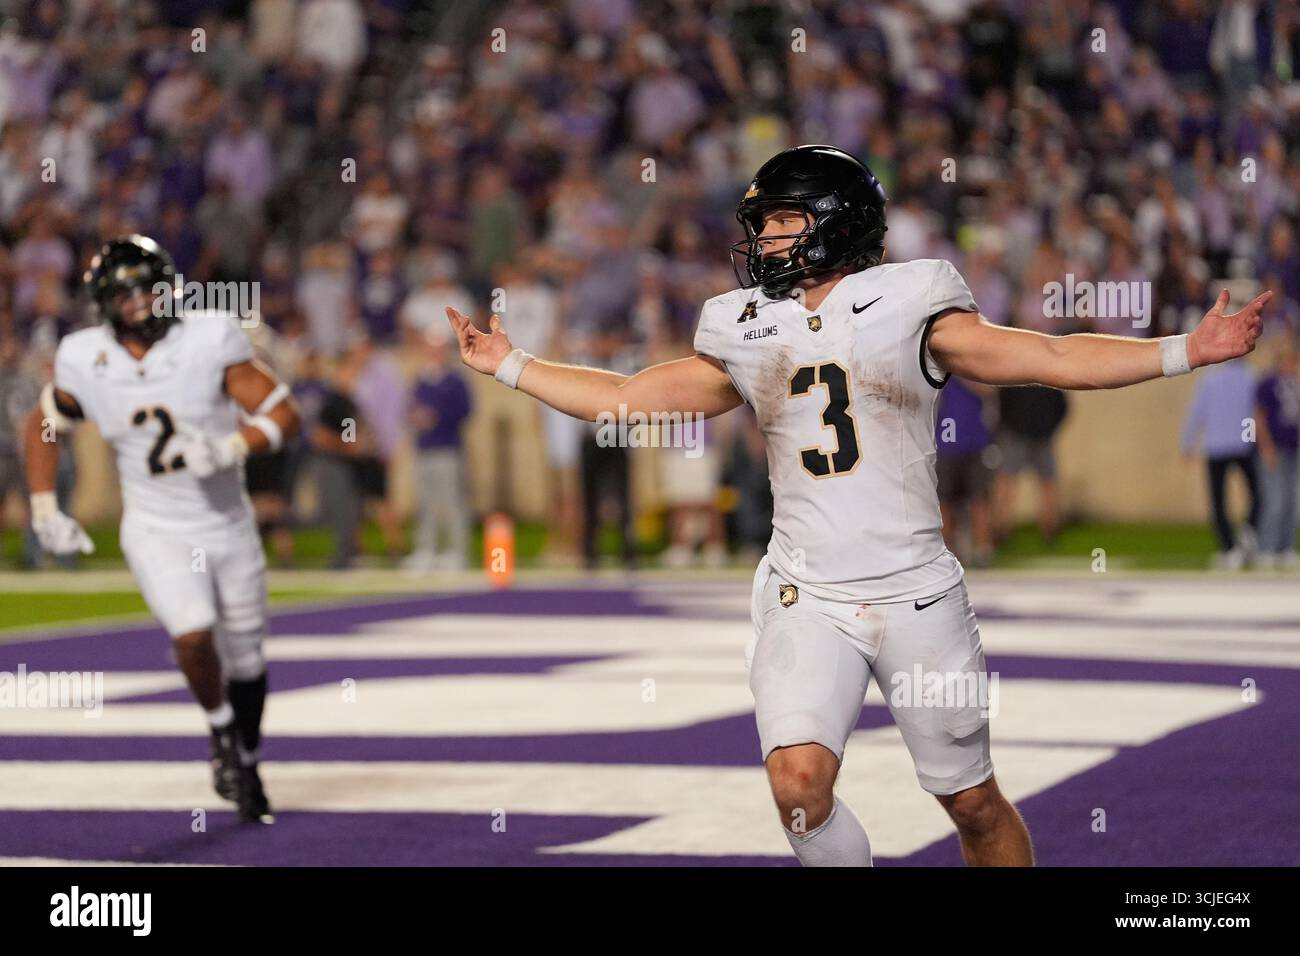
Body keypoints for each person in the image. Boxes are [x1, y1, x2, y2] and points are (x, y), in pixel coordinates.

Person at [446, 145, 1270, 867]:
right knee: (798, 787)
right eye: (762, 223)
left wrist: (1183, 351)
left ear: (833, 223)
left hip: (917, 592)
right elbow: (627, 397)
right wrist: (511, 363)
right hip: (809, 594)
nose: (763, 239)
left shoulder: (911, 301)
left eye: (779, 221)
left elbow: (1046, 355)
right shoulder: (743, 325)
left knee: (974, 805)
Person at [23, 235, 300, 824]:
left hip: (229, 526)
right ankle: (222, 731)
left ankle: (247, 758)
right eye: (126, 294)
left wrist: (233, 444)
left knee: (247, 660)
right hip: (157, 527)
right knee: (193, 631)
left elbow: (283, 411)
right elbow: (43, 424)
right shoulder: (85, 355)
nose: (142, 303)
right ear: (103, 301)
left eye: (149, 288)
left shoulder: (207, 337)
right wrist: (45, 508)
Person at [1182, 356, 1262, 569]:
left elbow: (1197, 412)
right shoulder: (1250, 378)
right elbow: (1257, 414)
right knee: (1258, 494)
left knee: (1218, 501)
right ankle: (1248, 530)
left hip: (1216, 446)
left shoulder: (1210, 380)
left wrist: (1187, 444)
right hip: (1244, 445)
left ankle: (1230, 548)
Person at [405, 330, 473, 572]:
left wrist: (437, 417)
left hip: (447, 447)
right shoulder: (421, 379)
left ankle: (457, 552)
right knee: (425, 502)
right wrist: (416, 417)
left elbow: (466, 411)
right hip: (424, 447)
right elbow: (410, 408)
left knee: (452, 501)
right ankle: (427, 550)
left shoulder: (455, 380)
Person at [1254, 338, 1300, 567]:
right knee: (1275, 499)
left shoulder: (1295, 384)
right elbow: (1260, 418)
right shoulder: (1268, 383)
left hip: (1293, 447)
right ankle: (1267, 547)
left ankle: (1285, 546)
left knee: (1292, 501)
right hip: (1275, 447)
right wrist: (1266, 447)